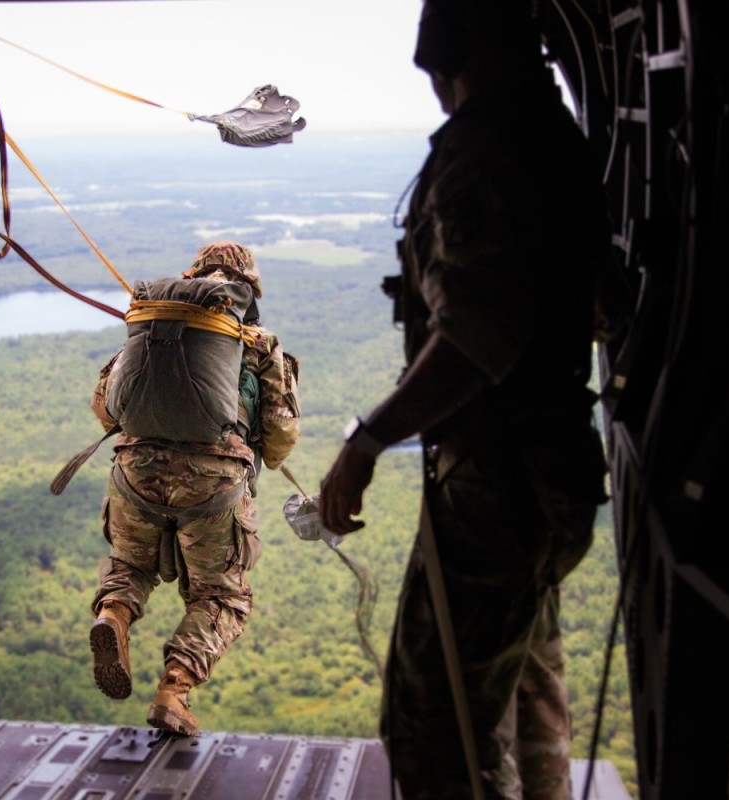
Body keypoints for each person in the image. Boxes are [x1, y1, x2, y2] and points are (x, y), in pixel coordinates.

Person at [319, 1, 614, 798]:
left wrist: (367, 440)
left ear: (450, 65)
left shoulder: (489, 150)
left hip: (499, 486)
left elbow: (481, 332)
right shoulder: (556, 137)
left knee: (433, 722)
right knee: (524, 693)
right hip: (548, 474)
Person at [88, 241, 301, 736]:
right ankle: (173, 691)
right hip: (213, 485)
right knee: (221, 597)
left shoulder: (156, 323)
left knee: (131, 567)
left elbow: (106, 407)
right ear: (246, 288)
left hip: (134, 470)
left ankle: (114, 617)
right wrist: (262, 455)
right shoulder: (258, 342)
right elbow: (281, 432)